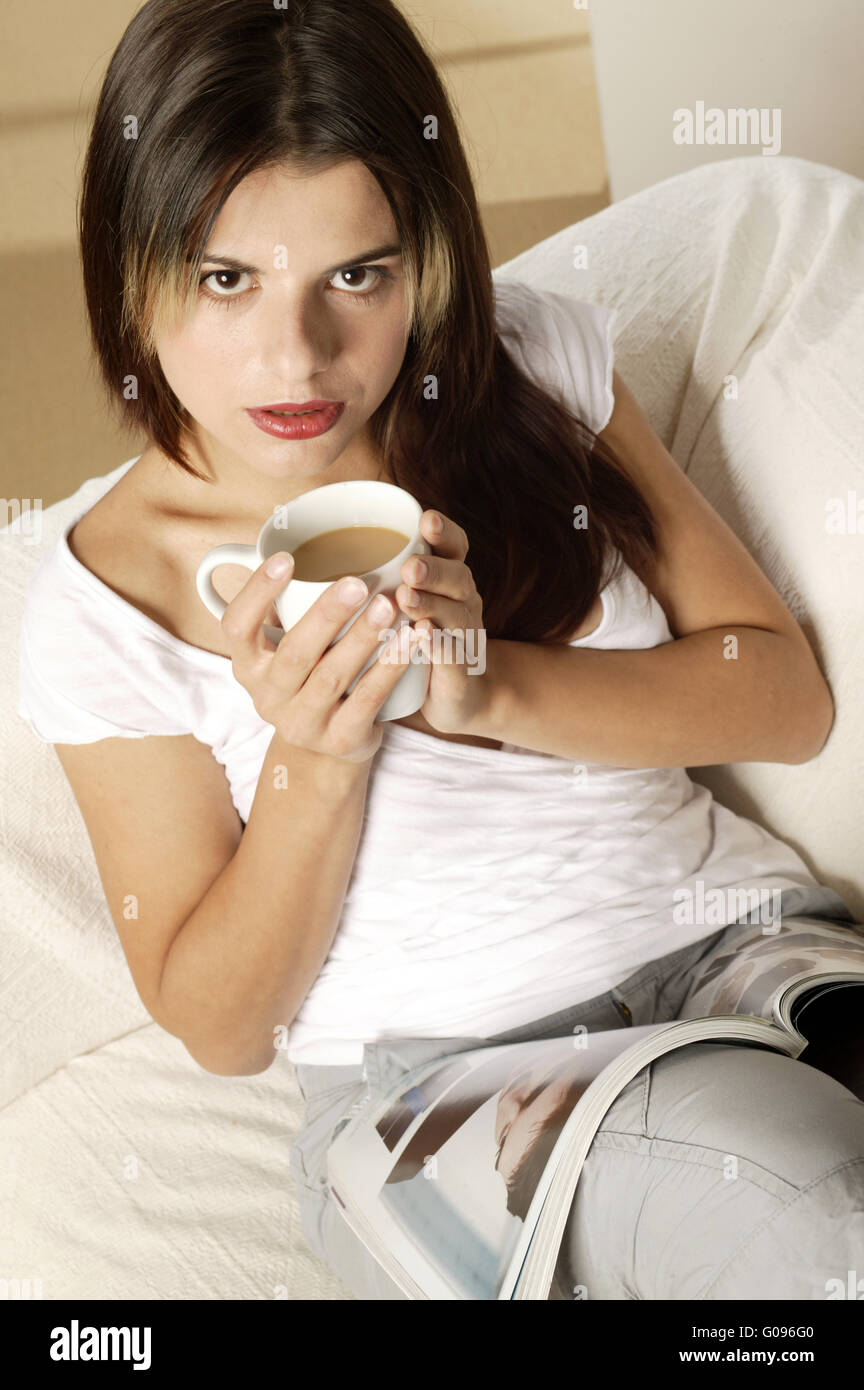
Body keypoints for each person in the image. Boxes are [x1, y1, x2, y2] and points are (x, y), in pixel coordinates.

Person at [17, 0, 864, 1301]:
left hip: (739, 957)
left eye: (357, 274)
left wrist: (488, 688)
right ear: (128, 268)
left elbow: (785, 699)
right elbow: (224, 1022)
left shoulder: (525, 369)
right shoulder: (101, 596)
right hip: (451, 1094)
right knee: (818, 1211)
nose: (298, 357)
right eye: (226, 278)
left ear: (429, 258)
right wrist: (316, 754)